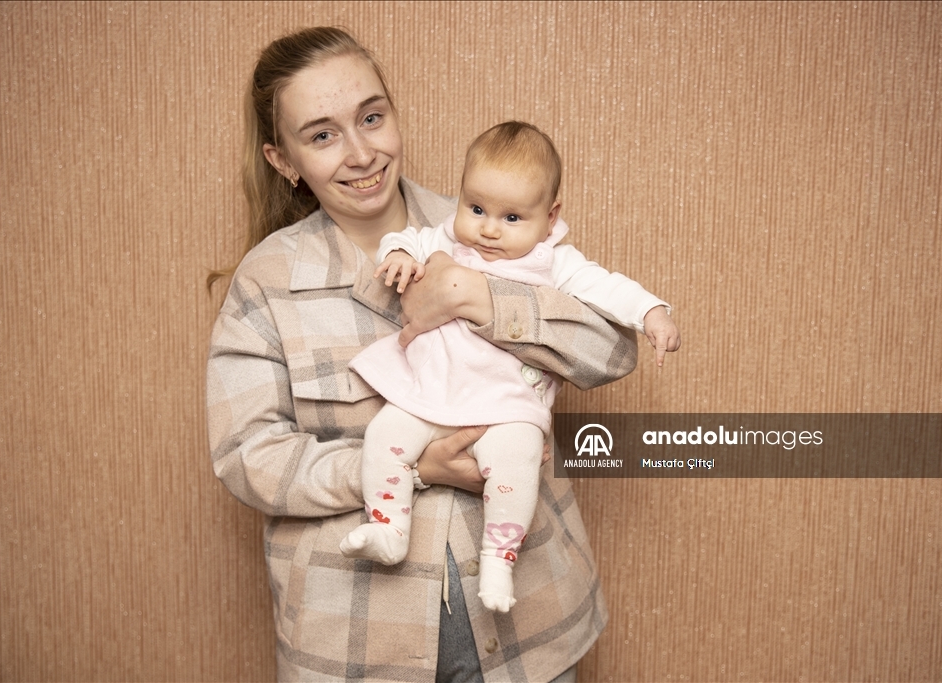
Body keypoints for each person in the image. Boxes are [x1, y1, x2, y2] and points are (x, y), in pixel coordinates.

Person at [206, 26, 659, 682]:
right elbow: (247, 457)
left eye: (371, 117)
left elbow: (613, 350)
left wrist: (474, 295)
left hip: (527, 627)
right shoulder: (267, 280)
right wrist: (412, 467)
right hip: (355, 642)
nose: (361, 153)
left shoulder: (490, 226)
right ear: (284, 160)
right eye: (323, 134)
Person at [340, 121, 680, 614]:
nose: (489, 229)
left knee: (517, 465)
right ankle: (389, 527)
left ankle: (499, 559)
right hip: (431, 389)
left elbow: (608, 289)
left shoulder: (554, 262)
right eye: (475, 209)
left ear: (550, 215)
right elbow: (408, 237)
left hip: (506, 406)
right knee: (384, 437)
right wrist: (395, 252)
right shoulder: (446, 240)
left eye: (512, 217)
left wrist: (652, 312)